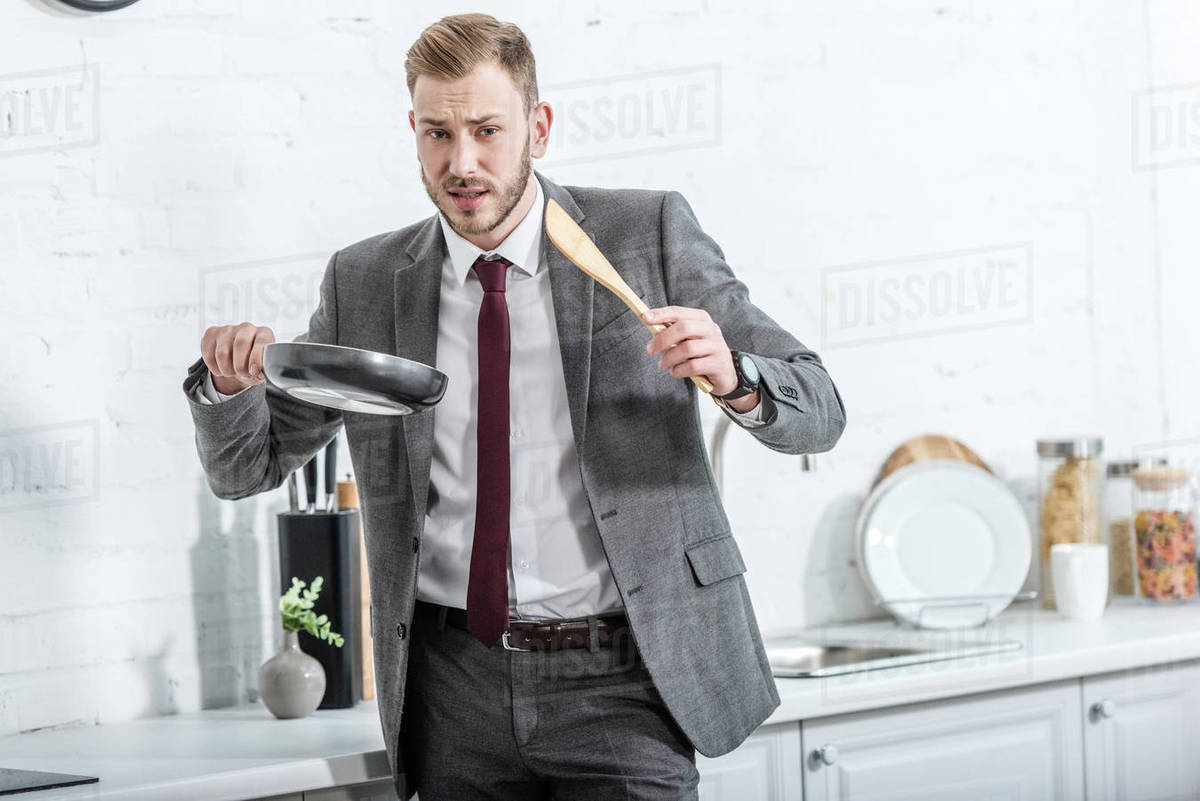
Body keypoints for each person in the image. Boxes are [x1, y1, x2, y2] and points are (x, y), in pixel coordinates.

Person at [183, 12, 845, 801]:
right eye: (437, 133)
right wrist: (227, 386)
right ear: (413, 130)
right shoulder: (364, 282)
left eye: (487, 130)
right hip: (451, 687)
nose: (461, 162)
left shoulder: (646, 235)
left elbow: (820, 406)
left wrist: (735, 375)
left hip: (622, 682)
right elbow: (247, 466)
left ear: (539, 126)